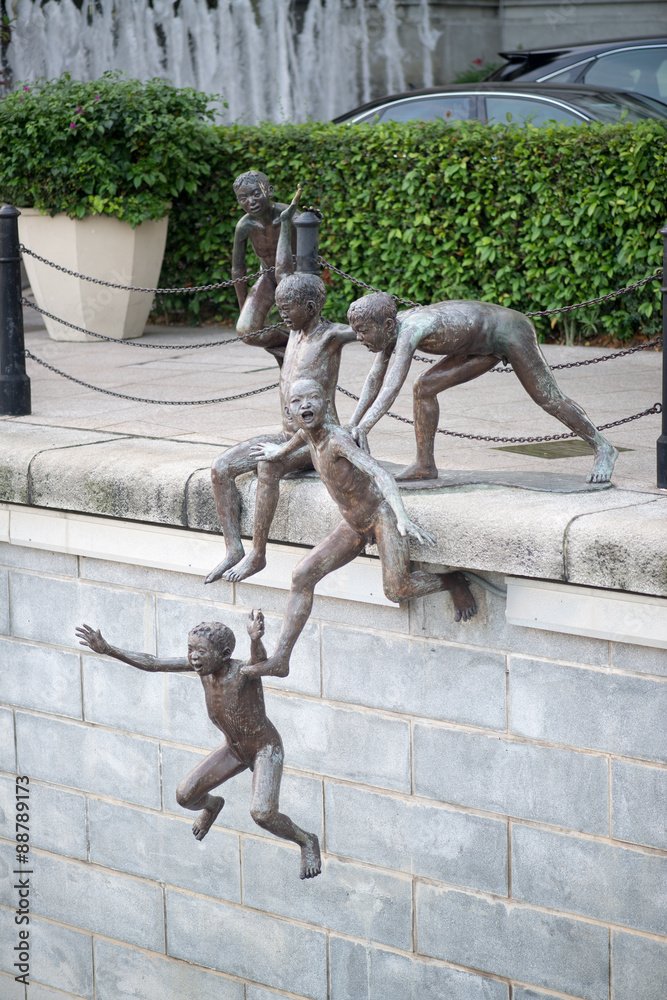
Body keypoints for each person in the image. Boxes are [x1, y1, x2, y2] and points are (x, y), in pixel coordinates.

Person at [244, 378, 477, 680]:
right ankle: (281, 659)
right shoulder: (305, 435)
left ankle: (454, 581)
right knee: (302, 574)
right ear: (288, 411)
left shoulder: (336, 440)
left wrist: (401, 516)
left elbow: (379, 473)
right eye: (297, 402)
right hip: (353, 524)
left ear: (326, 402)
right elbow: (293, 444)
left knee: (397, 589)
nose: (305, 406)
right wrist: (277, 452)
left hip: (380, 516)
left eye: (313, 398)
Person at [75, 611, 321, 880]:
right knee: (185, 795)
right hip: (235, 749)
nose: (193, 657)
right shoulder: (202, 671)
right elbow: (154, 663)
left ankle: (306, 841)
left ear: (224, 653)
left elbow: (259, 662)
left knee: (262, 813)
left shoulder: (242, 672)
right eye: (191, 649)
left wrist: (254, 640)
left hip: (264, 748)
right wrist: (109, 649)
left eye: (201, 652)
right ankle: (213, 805)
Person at [205, 188, 357, 585]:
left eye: (288, 311)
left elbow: (368, 330)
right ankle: (233, 548)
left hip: (314, 442)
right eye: (281, 310)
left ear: (310, 308)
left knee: (267, 465)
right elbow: (276, 278)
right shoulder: (289, 336)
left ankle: (258, 553)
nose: (283, 317)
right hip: (287, 434)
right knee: (220, 469)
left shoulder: (329, 336)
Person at [346, 292, 618, 484]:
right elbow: (374, 380)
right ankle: (424, 465)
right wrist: (353, 425)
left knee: (549, 399)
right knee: (425, 387)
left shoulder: (409, 331)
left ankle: (603, 448)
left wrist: (365, 427)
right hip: (475, 344)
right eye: (356, 331)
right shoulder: (389, 329)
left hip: (509, 331)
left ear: (387, 325)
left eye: (363, 331)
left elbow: (392, 386)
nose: (359, 338)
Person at [232, 170, 296, 365]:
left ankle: (297, 344)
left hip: (296, 280)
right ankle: (288, 343)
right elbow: (238, 268)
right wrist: (244, 307)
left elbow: (310, 254)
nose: (250, 201)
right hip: (268, 277)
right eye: (243, 198)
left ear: (269, 191)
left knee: (300, 326)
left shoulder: (290, 215)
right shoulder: (245, 225)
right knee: (247, 331)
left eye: (256, 194)